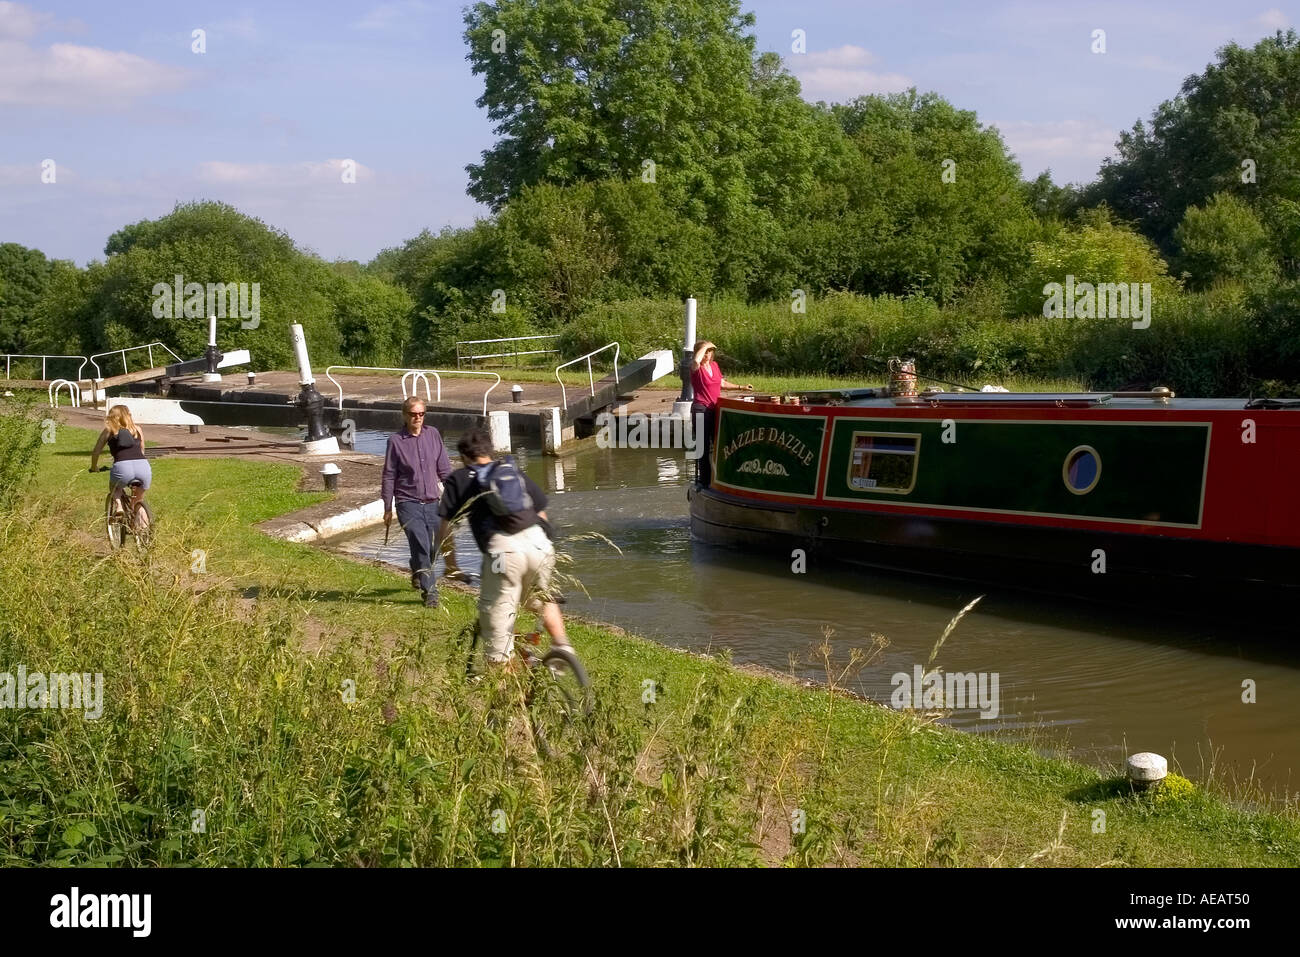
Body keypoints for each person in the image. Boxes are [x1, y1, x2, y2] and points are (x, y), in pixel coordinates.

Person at [437, 427, 569, 671]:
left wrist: (452, 567)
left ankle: (507, 701)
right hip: (539, 542)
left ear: (464, 457)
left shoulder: (460, 478)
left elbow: (445, 528)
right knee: (541, 596)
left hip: (503, 554)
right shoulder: (511, 472)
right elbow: (541, 512)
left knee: (496, 618)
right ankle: (562, 646)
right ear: (490, 451)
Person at [381, 396, 461, 608]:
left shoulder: (433, 434)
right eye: (413, 414)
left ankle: (417, 568)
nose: (418, 418)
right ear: (404, 415)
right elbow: (389, 475)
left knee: (433, 547)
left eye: (421, 414)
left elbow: (444, 468)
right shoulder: (395, 441)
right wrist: (387, 507)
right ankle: (431, 594)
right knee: (421, 545)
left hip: (433, 502)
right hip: (408, 502)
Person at [690, 340, 752, 486]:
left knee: (719, 445)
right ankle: (704, 481)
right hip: (701, 409)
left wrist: (741, 387)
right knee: (703, 447)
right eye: (705, 351)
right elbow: (695, 360)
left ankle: (720, 478)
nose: (708, 354)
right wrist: (704, 346)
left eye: (710, 351)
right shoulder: (695, 367)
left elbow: (722, 383)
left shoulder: (714, 366)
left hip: (714, 409)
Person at [89, 405, 151, 509]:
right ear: (128, 415)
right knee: (138, 502)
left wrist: (94, 467)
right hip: (143, 467)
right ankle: (141, 522)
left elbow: (96, 451)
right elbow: (142, 450)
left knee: (114, 486)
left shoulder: (109, 430)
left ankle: (119, 506)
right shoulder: (137, 429)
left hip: (122, 467)